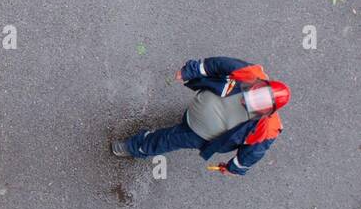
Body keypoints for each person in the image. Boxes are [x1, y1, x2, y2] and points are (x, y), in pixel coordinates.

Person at [111, 56, 289, 175]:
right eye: (254, 94)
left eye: (257, 104)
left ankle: (136, 147)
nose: (248, 101)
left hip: (199, 135)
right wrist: (191, 71)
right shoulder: (251, 73)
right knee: (173, 133)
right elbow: (218, 64)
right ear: (261, 84)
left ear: (268, 112)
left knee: (166, 140)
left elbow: (253, 153)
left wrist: (234, 168)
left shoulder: (268, 129)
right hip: (194, 113)